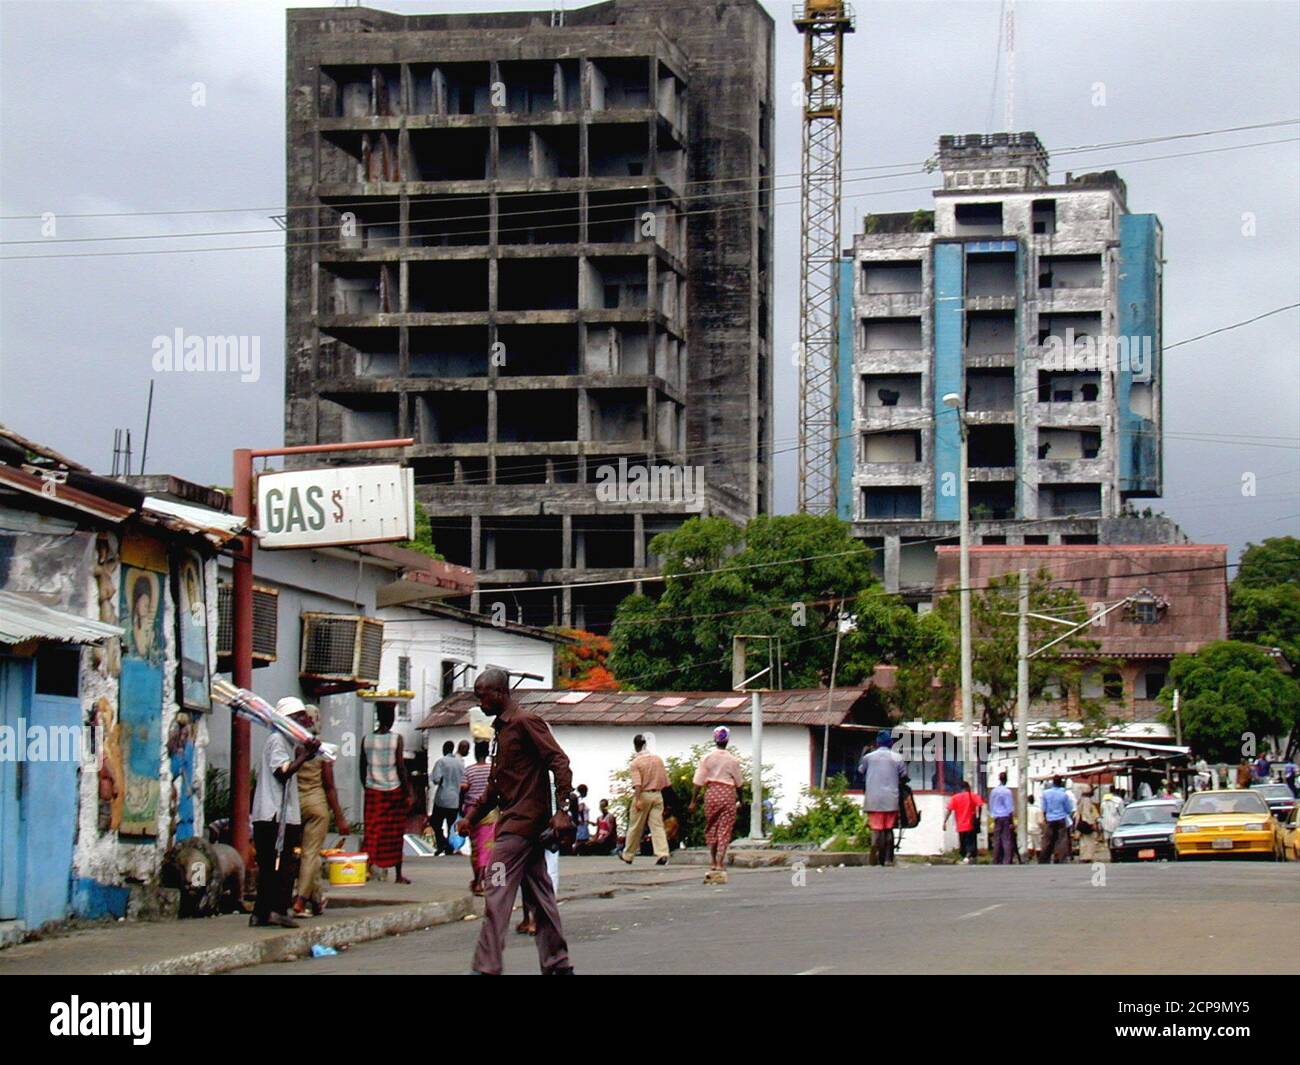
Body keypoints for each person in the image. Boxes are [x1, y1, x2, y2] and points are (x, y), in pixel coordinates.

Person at [457, 667, 574, 975]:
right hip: (527, 833)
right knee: (541, 898)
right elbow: (496, 785)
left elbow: (559, 762)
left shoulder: (525, 723)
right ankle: (557, 965)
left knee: (495, 888)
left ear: (500, 693)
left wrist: (562, 809)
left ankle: (486, 967)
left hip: (517, 832)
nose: (480, 702)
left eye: (483, 695)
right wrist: (470, 817)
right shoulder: (502, 730)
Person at [250, 697, 320, 928]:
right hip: (275, 816)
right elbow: (282, 772)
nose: (303, 722)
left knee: (272, 865)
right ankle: (275, 909)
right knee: (280, 866)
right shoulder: (278, 741)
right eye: (299, 718)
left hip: (276, 814)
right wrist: (304, 757)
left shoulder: (285, 743)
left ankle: (261, 912)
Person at [294, 704, 350, 917]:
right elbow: (329, 787)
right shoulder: (322, 750)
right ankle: (301, 901)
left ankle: (316, 899)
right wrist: (340, 818)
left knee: (303, 854)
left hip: (295, 805)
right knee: (311, 854)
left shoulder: (293, 746)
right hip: (317, 806)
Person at [360, 701, 414, 884]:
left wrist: (368, 785)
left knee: (372, 831)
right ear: (390, 718)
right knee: (395, 834)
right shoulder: (396, 739)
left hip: (372, 791)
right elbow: (401, 767)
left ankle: (366, 868)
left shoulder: (366, 739)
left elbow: (362, 768)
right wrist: (408, 793)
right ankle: (398, 874)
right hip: (394, 790)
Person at [689, 726, 745, 884]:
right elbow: (739, 783)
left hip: (711, 794)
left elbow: (698, 782)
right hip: (727, 794)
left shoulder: (706, 758)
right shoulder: (732, 760)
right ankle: (721, 862)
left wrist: (693, 801)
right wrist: (742, 800)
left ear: (715, 740)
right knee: (724, 828)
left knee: (711, 826)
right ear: (727, 741)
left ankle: (713, 861)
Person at [620, 734, 670, 866]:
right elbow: (666, 781)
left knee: (636, 826)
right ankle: (662, 853)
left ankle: (628, 855)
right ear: (645, 744)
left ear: (635, 746)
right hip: (658, 795)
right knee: (657, 826)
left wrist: (637, 799)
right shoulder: (658, 760)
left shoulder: (636, 763)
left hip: (643, 795)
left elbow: (637, 784)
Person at [858, 731, 906, 866]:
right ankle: (888, 859)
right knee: (888, 828)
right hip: (891, 799)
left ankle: (873, 857)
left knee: (876, 828)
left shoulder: (868, 757)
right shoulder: (897, 758)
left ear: (877, 743)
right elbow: (904, 776)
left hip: (873, 799)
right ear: (890, 743)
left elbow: (860, 771)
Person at [460, 740, 495, 896]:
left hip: (471, 811)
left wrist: (462, 810)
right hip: (490, 812)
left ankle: (477, 880)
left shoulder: (468, 771)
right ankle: (480, 882)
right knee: (486, 847)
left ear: (474, 753)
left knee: (475, 847)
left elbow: (463, 790)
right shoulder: (492, 770)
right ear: (487, 753)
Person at [429, 739, 465, 855]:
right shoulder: (460, 764)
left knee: (435, 822)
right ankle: (449, 847)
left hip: (442, 798)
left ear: (444, 749)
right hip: (455, 800)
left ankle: (442, 843)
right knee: (451, 825)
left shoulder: (441, 762)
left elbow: (436, 779)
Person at [944, 780, 985, 864]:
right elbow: (980, 805)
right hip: (970, 824)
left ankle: (966, 856)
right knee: (971, 842)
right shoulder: (972, 796)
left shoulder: (955, 798)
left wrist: (944, 821)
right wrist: (979, 817)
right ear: (967, 787)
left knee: (963, 843)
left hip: (960, 825)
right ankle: (969, 856)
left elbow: (949, 810)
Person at [1038, 775, 1076, 863]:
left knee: (1047, 839)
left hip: (1050, 818)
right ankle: (1062, 858)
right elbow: (1068, 809)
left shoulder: (1046, 793)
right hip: (1061, 818)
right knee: (1062, 839)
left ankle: (1044, 859)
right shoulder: (1064, 794)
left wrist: (1045, 817)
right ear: (1061, 783)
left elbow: (1044, 808)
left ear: (1053, 783)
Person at [988, 771, 1015, 865]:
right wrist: (1012, 821)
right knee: (1006, 839)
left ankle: (996, 859)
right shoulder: (1007, 792)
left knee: (997, 839)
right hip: (1005, 817)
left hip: (996, 817)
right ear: (1006, 779)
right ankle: (1007, 860)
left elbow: (991, 804)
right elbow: (1009, 807)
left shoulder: (994, 791)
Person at [1076, 784, 1104, 862]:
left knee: (1083, 841)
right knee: (1089, 841)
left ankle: (1083, 856)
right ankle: (1087, 857)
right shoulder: (1087, 801)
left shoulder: (1081, 800)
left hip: (1081, 823)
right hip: (1087, 823)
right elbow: (1087, 814)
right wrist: (1093, 824)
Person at [572, 785, 591, 849]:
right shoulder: (581, 800)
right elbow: (580, 810)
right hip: (582, 823)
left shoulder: (578, 799)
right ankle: (573, 850)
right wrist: (582, 820)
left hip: (581, 822)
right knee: (581, 840)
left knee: (581, 839)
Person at [1026, 795, 1043, 861]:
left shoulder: (1026, 809)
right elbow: (1040, 821)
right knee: (1038, 843)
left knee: (1029, 842)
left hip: (1028, 828)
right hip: (1036, 828)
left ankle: (1029, 856)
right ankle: (1039, 857)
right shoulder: (1038, 809)